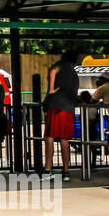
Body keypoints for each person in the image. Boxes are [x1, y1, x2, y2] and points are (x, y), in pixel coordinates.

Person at [42, 50, 79, 181]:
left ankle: (47, 170)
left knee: (49, 137)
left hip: (55, 105)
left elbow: (52, 76)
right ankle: (66, 171)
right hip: (69, 108)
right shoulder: (74, 73)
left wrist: (50, 91)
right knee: (65, 139)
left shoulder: (58, 66)